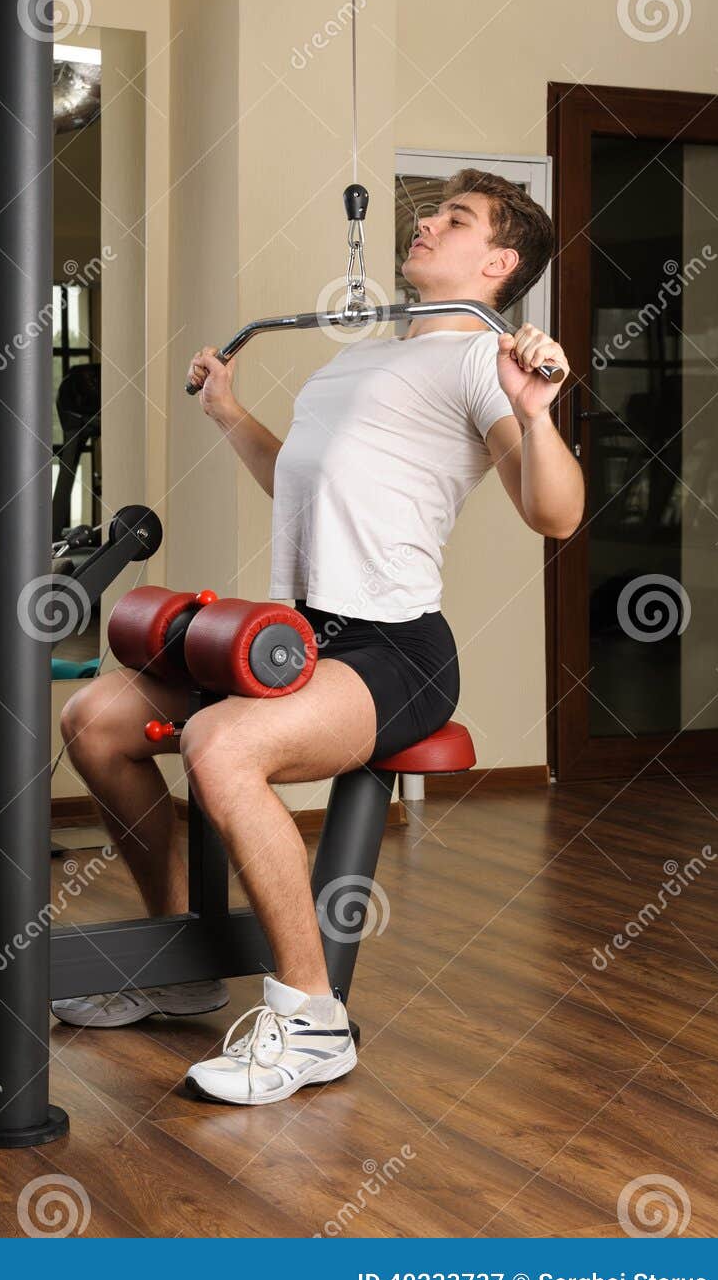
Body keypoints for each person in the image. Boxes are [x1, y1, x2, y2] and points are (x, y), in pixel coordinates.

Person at [57, 170, 583, 1105]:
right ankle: (180, 956)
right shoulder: (356, 359)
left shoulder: (484, 363)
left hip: (391, 649)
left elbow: (554, 515)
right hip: (293, 633)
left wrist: (536, 416)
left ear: (499, 263)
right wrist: (226, 411)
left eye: (454, 219)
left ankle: (311, 1018)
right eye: (430, 212)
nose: (425, 222)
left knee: (220, 746)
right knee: (96, 717)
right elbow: (301, 483)